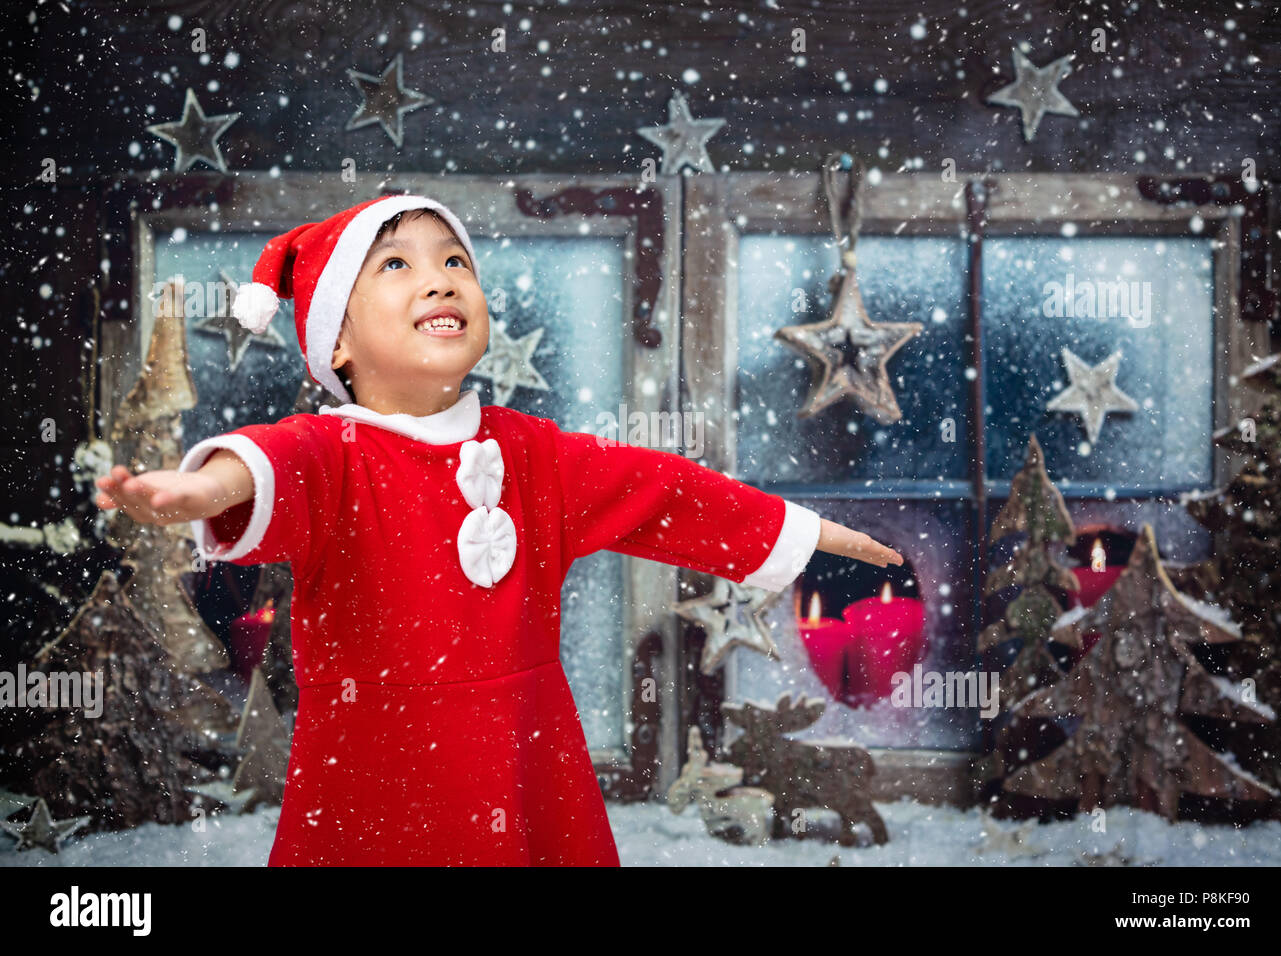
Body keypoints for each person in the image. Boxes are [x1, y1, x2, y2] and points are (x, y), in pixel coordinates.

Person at [95, 194, 903, 866]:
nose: (441, 281)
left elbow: (663, 492)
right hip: (374, 777)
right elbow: (263, 466)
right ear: (335, 340)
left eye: (455, 263)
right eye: (398, 265)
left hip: (525, 764)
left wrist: (805, 535)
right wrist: (195, 488)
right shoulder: (329, 452)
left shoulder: (532, 453)